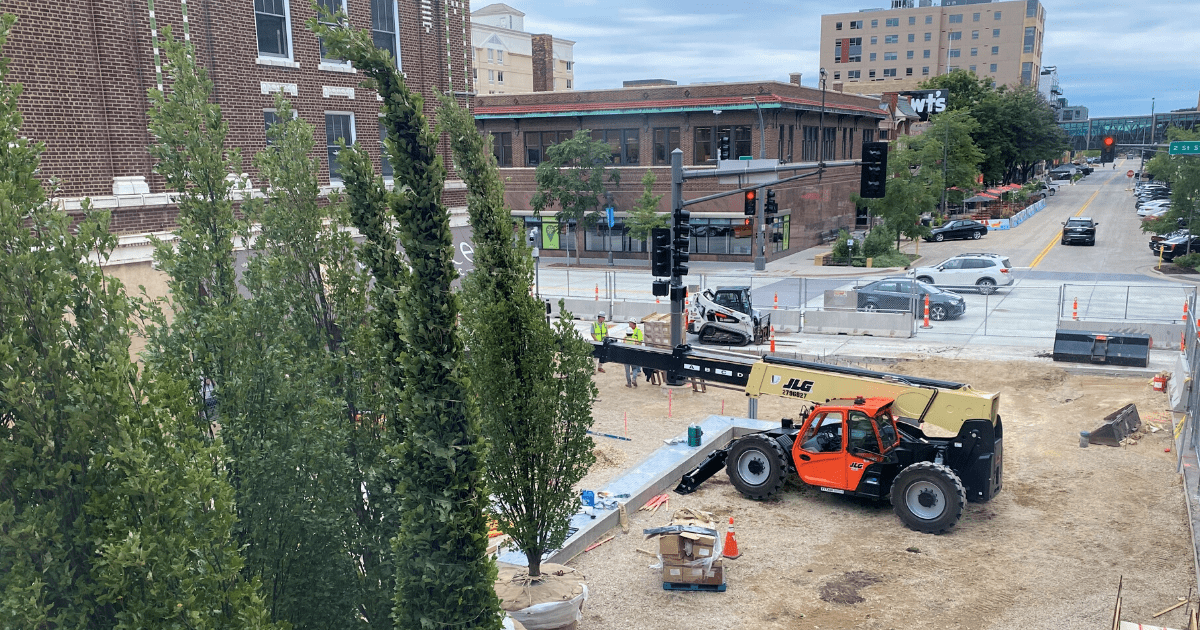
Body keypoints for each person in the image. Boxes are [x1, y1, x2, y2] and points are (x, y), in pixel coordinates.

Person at [624, 319, 643, 387]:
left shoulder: (624, 339)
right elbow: (638, 343)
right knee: (634, 368)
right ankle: (634, 379)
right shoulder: (635, 340)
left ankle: (629, 383)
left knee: (627, 371)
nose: (629, 324)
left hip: (626, 357)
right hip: (634, 356)